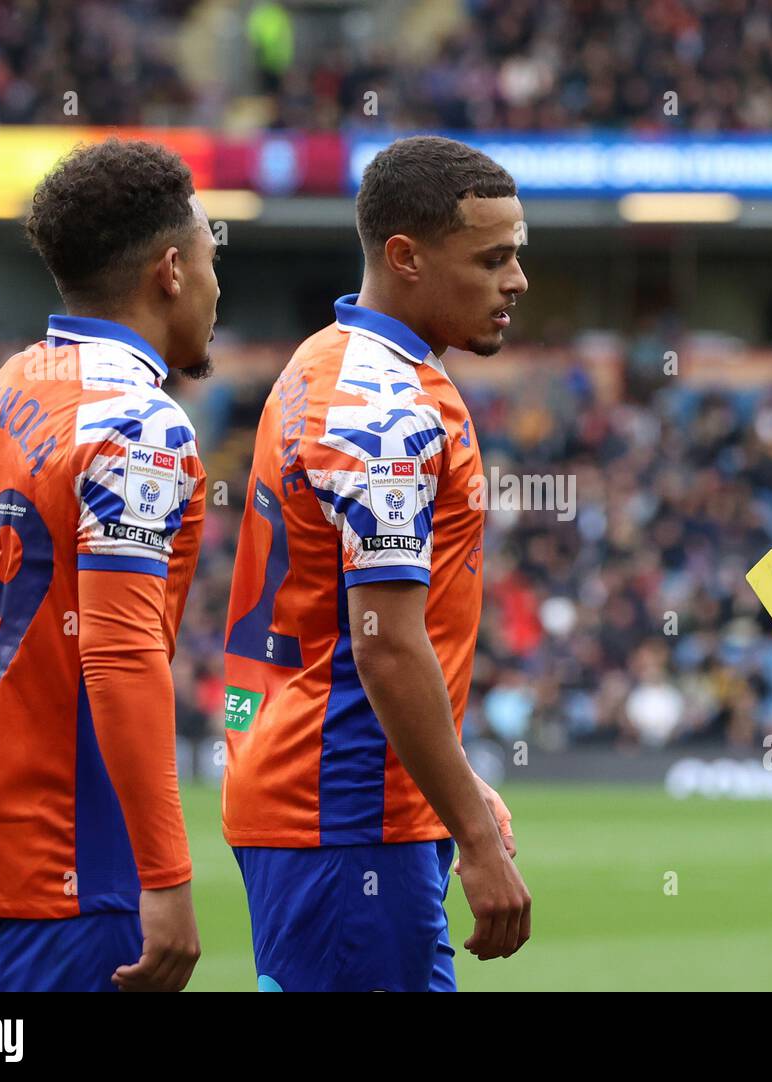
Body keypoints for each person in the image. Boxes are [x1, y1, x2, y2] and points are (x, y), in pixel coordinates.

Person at [222, 134, 531, 991]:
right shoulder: (384, 405)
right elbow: (385, 643)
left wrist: (455, 785)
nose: (518, 281)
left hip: (336, 796)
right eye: (493, 257)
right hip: (344, 806)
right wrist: (471, 834)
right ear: (406, 257)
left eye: (518, 255)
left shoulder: (336, 363)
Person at [0, 138, 220, 992]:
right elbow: (120, 657)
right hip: (70, 865)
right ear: (170, 270)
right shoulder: (137, 422)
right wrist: (161, 874)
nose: (214, 284)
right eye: (208, 258)